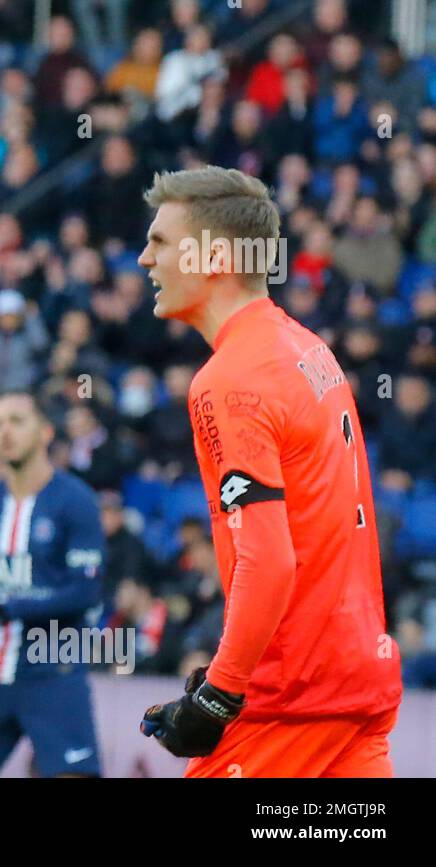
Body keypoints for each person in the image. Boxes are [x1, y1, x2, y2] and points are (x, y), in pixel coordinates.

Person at [136, 166, 402, 777]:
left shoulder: (230, 380)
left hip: (290, 702)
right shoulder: (308, 349)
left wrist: (218, 695)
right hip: (357, 684)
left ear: (216, 257)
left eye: (161, 242)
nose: (145, 258)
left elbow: (271, 560)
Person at [0, 392, 105, 777]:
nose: (4, 432)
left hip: (54, 669)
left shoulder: (76, 500)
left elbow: (86, 592)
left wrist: (10, 608)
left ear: (45, 431)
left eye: (17, 421)